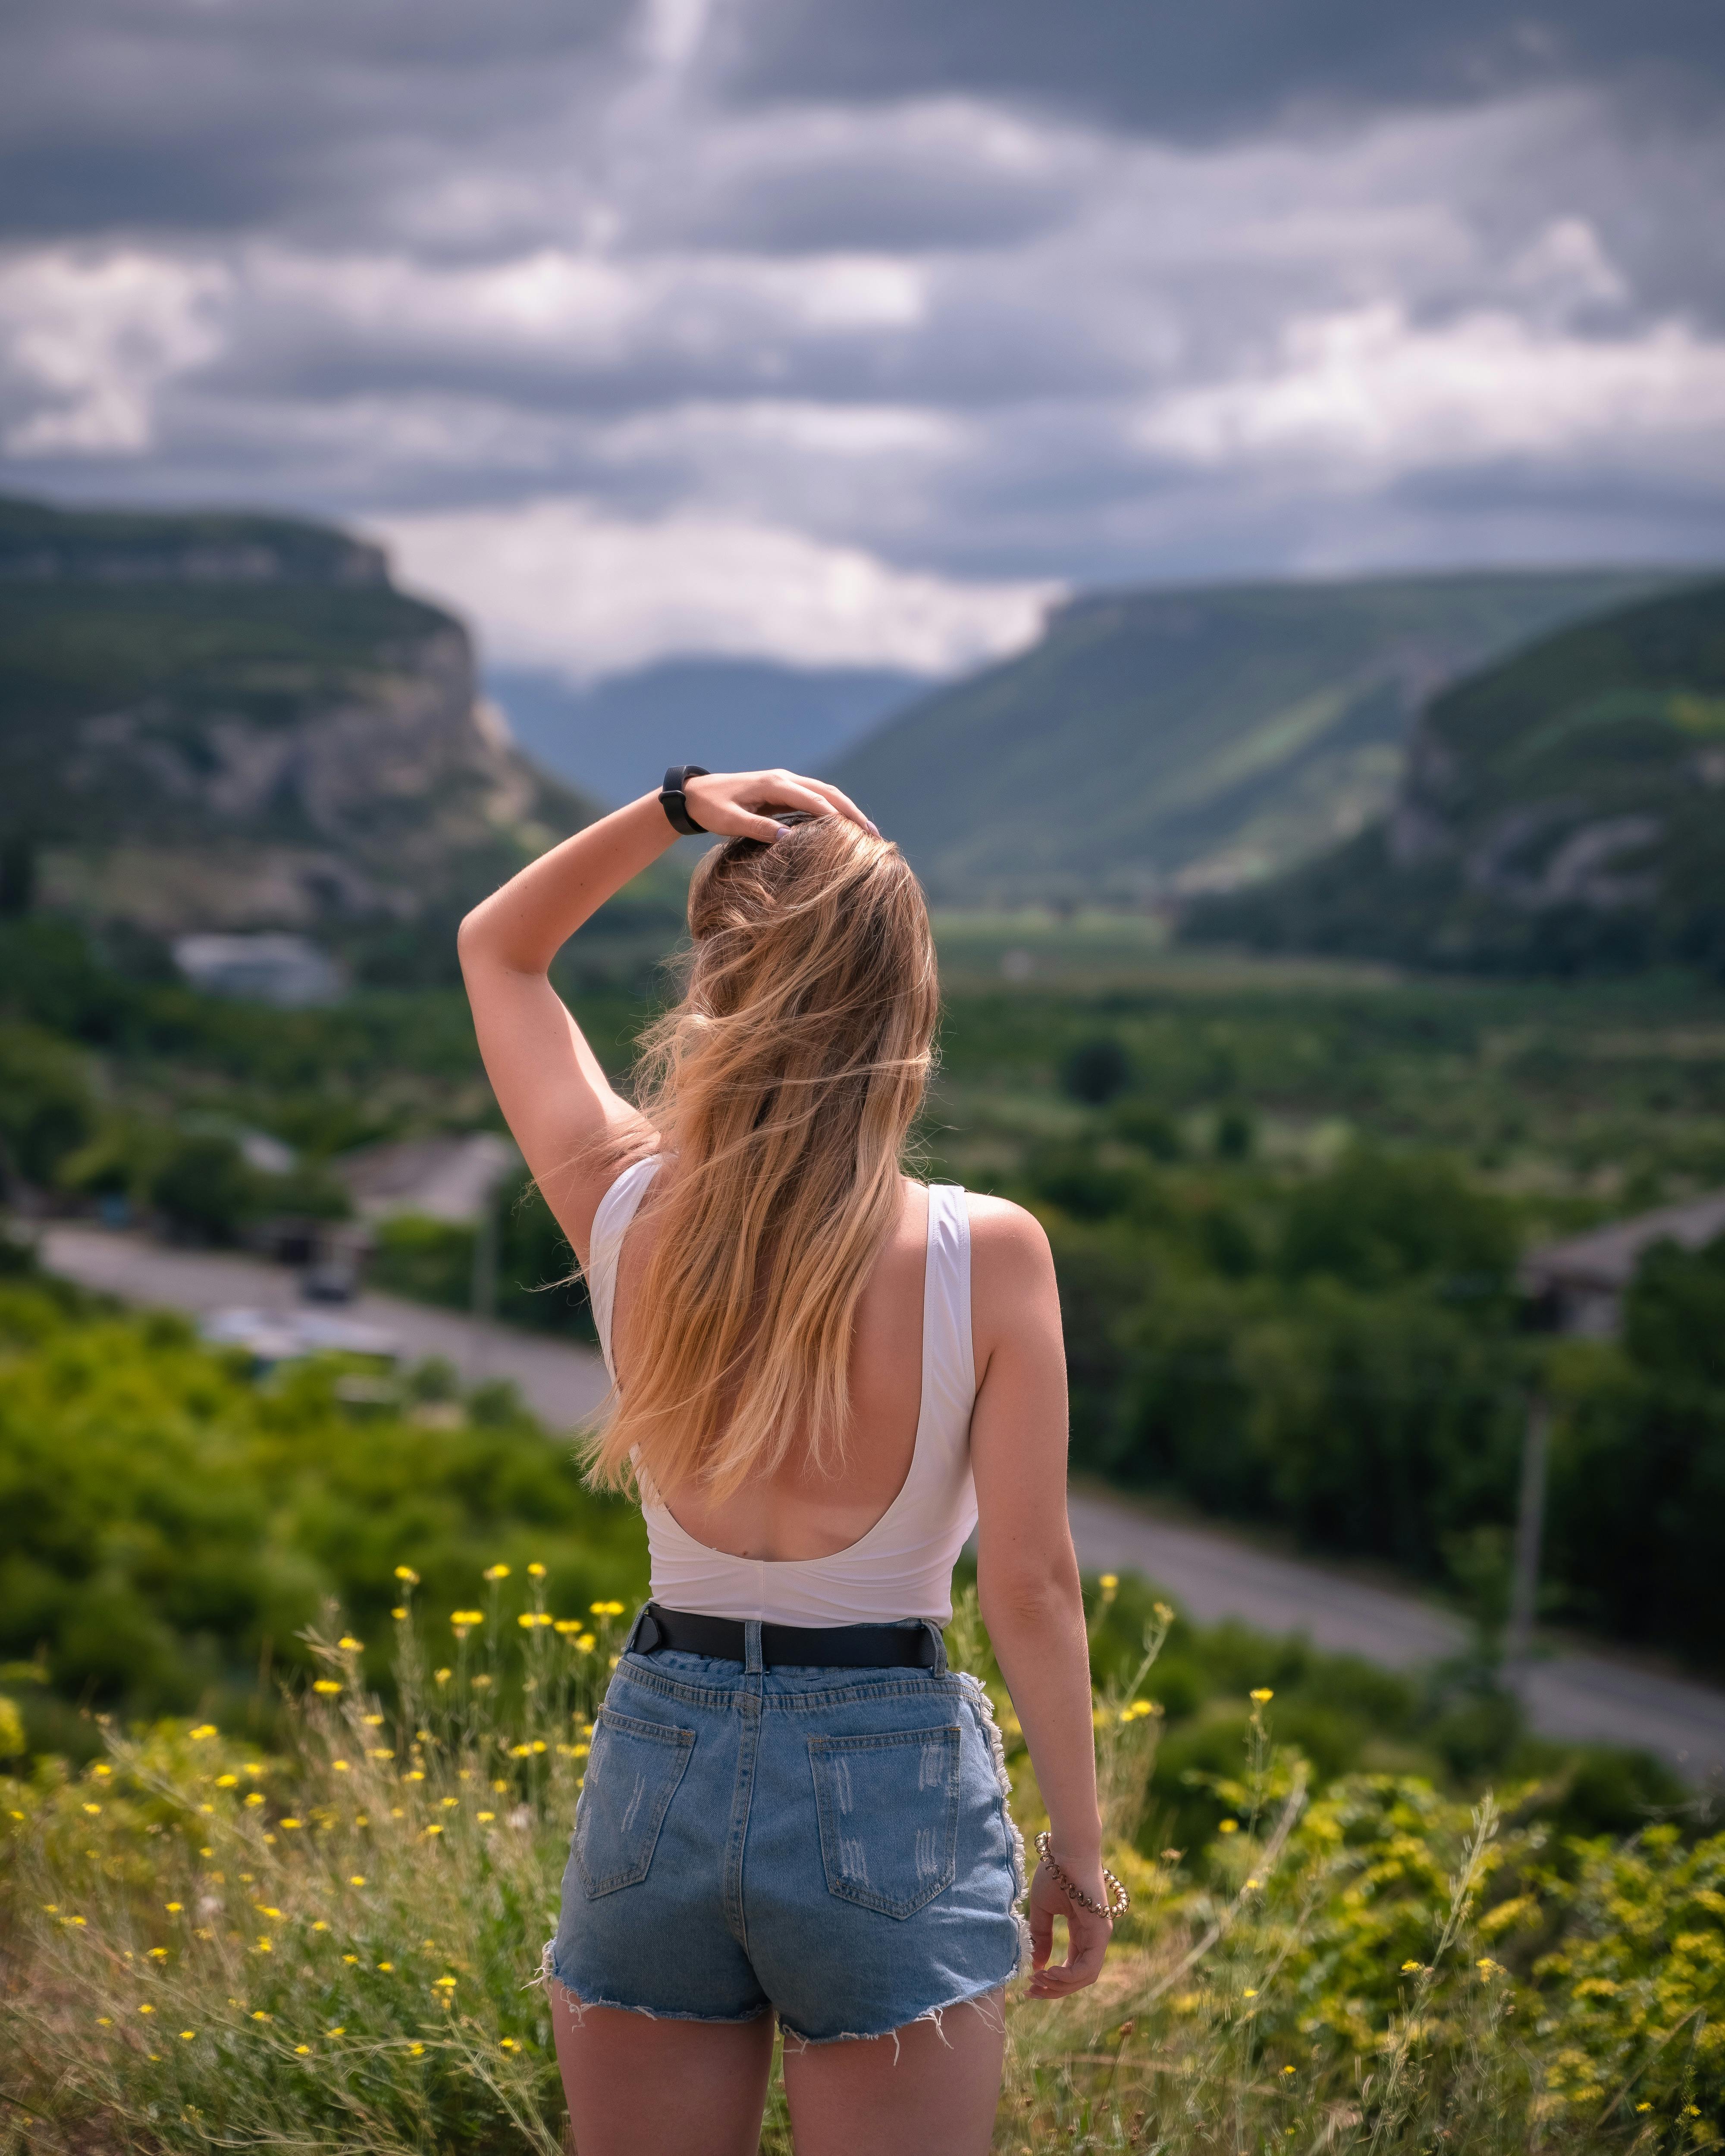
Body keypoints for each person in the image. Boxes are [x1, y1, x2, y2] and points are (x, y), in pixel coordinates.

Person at [458, 767, 1113, 2156]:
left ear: (717, 979)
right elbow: (1036, 1592)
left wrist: (680, 806)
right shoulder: (987, 1254)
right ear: (906, 1000)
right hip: (890, 1777)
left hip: (664, 1753)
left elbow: (498, 947)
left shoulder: (623, 1206)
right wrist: (1082, 1854)